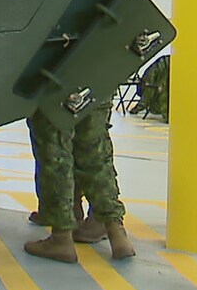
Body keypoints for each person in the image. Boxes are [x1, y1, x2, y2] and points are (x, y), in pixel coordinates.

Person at [24, 98, 136, 263]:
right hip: (98, 81)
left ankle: (61, 237)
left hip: (56, 82)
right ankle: (116, 232)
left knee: (54, 149)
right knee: (95, 151)